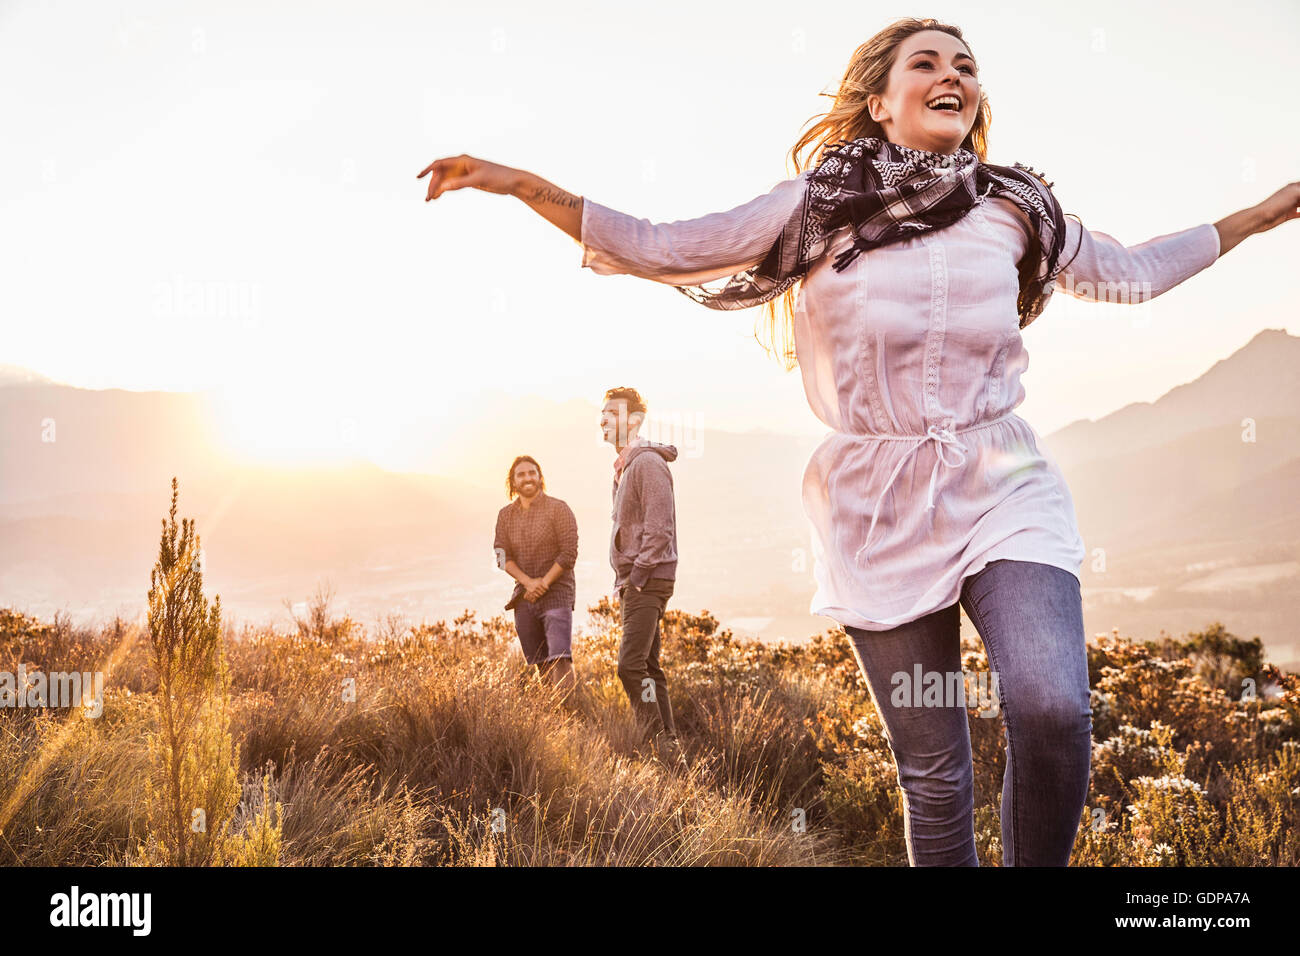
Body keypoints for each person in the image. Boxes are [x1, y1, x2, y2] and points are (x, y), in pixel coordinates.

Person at [419, 17, 1299, 865]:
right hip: (875, 502)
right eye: (925, 62)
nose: (952, 74)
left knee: (1050, 708)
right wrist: (521, 183)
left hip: (1002, 476)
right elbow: (659, 246)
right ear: (878, 101)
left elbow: (1135, 273)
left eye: (965, 63)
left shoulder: (1013, 207)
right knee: (936, 776)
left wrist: (1259, 215)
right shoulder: (813, 205)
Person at [599, 387, 682, 755]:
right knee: (649, 665)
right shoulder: (627, 466)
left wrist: (637, 577)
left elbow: (659, 527)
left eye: (611, 414)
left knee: (629, 667)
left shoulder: (647, 464)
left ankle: (654, 745)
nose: (603, 421)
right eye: (601, 415)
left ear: (634, 421)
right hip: (638, 580)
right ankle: (669, 742)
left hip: (646, 580)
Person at [493, 455, 578, 697]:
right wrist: (529, 583)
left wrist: (544, 583)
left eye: (532, 472)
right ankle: (552, 719)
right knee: (540, 663)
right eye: (521, 474)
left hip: (558, 594)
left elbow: (569, 553)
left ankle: (569, 716)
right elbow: (501, 555)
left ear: (540, 477)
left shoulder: (558, 508)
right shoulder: (505, 516)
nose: (528, 477)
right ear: (513, 481)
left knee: (561, 657)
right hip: (524, 597)